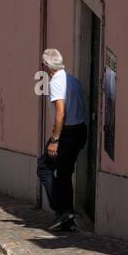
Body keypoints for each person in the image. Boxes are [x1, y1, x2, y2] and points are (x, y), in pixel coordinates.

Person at [36, 48, 87, 233]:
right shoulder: (73, 80)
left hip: (66, 133)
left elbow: (60, 113)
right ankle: (68, 218)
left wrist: (55, 139)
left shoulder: (57, 82)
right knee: (65, 174)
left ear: (48, 66)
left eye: (43, 64)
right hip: (80, 131)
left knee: (44, 167)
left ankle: (61, 209)